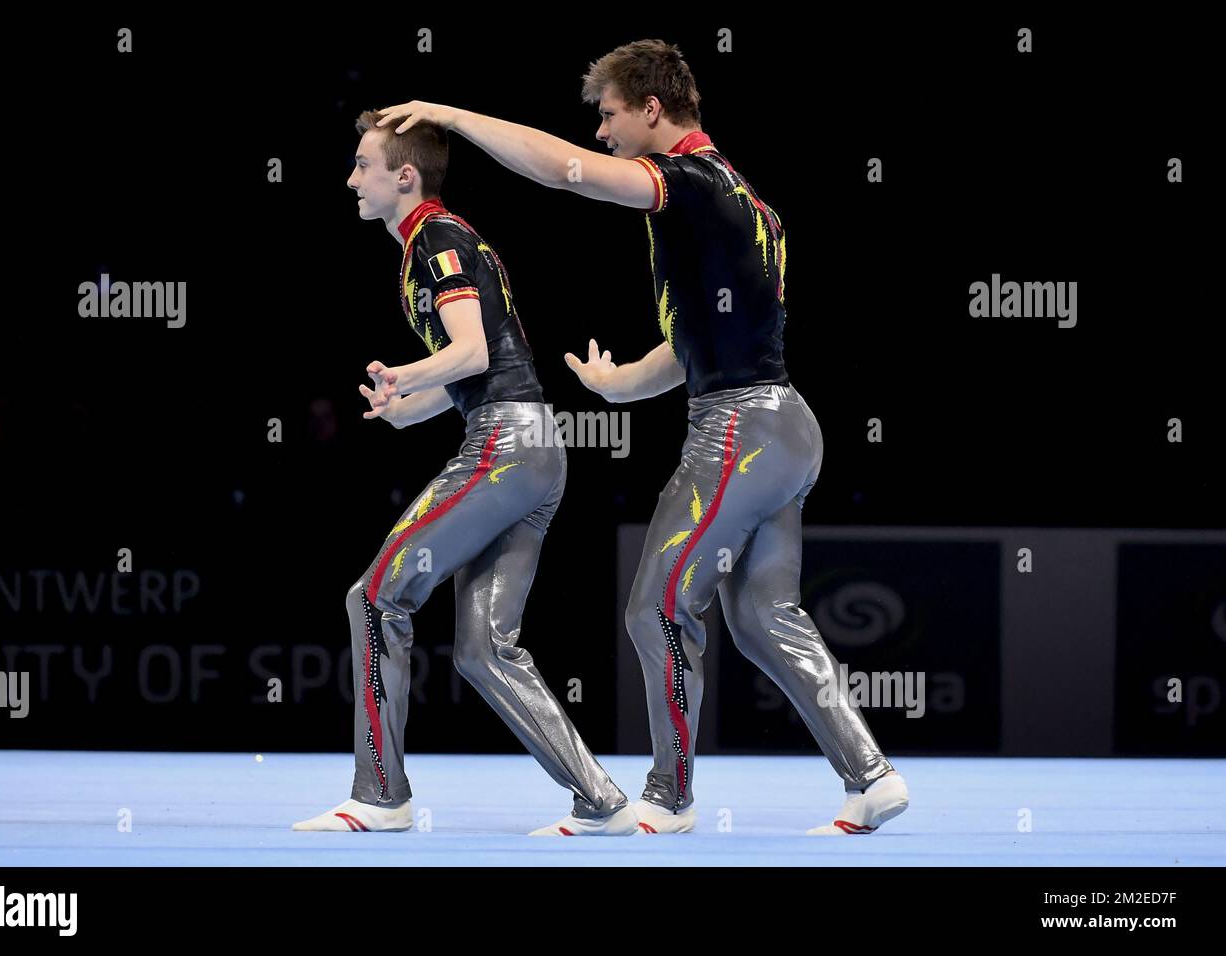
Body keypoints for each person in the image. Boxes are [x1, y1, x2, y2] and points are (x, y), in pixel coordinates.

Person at [377, 39, 909, 836]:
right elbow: (697, 345)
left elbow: (565, 172)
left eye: (609, 114)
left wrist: (455, 115)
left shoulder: (690, 183)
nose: (600, 132)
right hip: (788, 429)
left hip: (740, 433)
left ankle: (669, 796)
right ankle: (870, 777)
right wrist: (618, 383)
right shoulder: (751, 203)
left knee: (656, 604)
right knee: (766, 617)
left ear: (651, 110)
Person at [292, 110, 636, 836]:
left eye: (363, 165)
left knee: (376, 598)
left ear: (404, 176)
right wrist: (404, 407)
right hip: (534, 448)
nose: (352, 179)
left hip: (505, 449)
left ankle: (381, 795)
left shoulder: (436, 242)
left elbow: (473, 352)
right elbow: (474, 372)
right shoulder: (441, 240)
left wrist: (403, 369)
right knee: (484, 648)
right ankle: (600, 798)